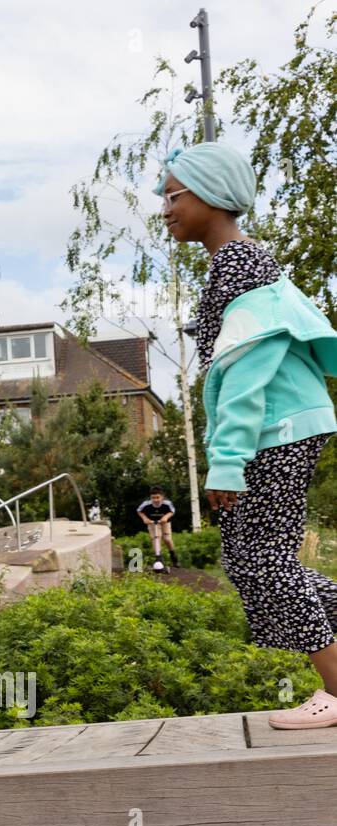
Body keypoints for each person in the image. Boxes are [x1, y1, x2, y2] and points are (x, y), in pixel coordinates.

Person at [158, 141, 337, 729]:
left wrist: (227, 463)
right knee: (256, 558)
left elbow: (246, 373)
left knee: (263, 559)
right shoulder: (234, 264)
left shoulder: (241, 266)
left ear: (210, 195)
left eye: (173, 194)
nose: (164, 207)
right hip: (282, 427)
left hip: (274, 429)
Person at [137, 485, 179, 569]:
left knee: (167, 539)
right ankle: (158, 558)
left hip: (164, 522)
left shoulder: (167, 503)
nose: (155, 500)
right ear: (150, 497)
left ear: (162, 497)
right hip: (152, 522)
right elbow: (139, 511)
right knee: (156, 538)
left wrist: (166, 517)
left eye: (157, 497)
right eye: (153, 498)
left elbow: (172, 511)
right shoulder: (146, 504)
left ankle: (173, 556)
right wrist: (145, 519)